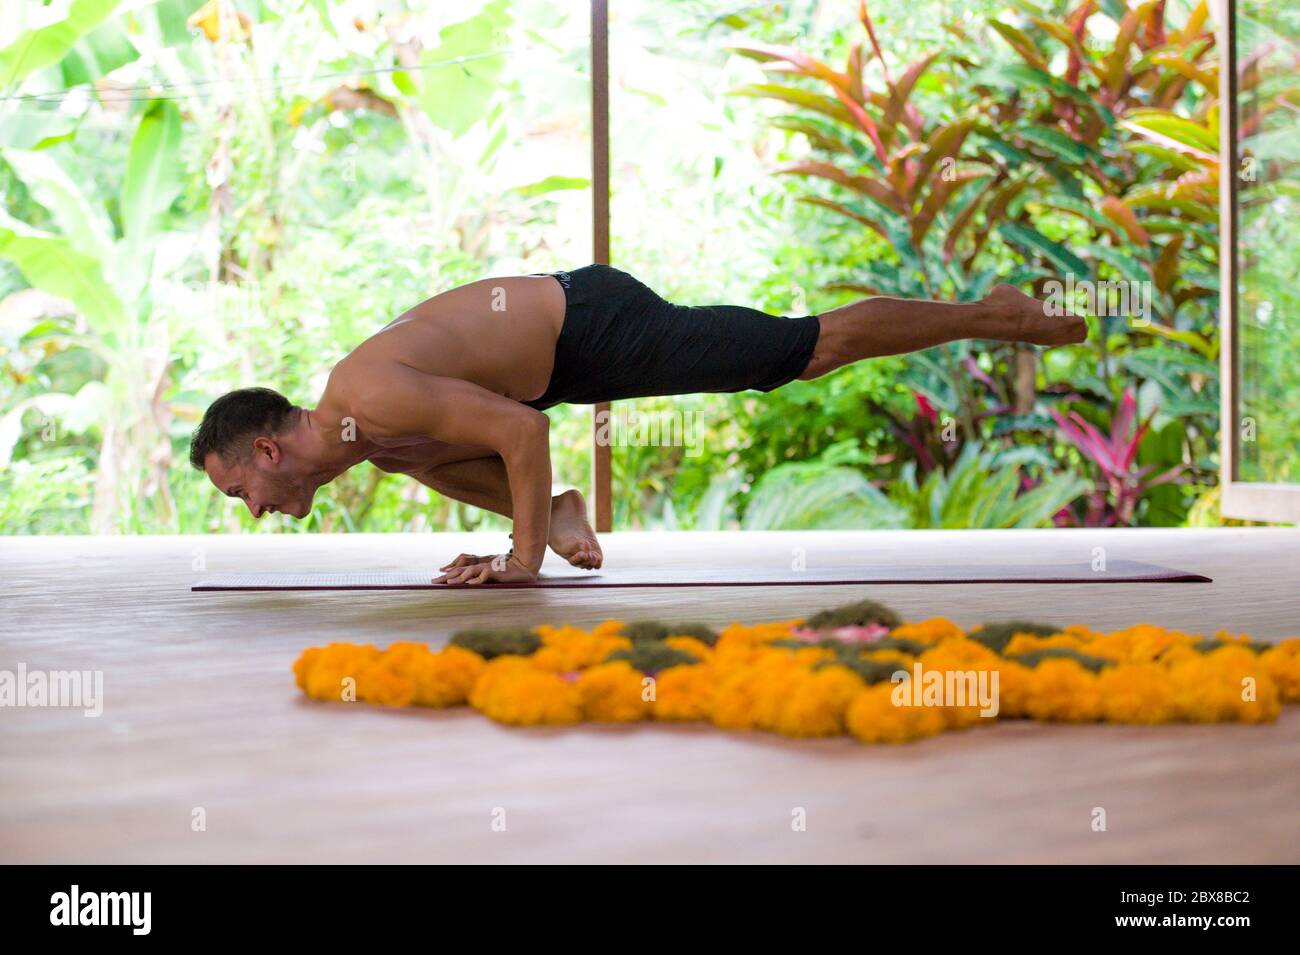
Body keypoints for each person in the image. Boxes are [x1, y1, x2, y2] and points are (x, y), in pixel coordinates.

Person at [189, 264, 1085, 585]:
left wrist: (522, 559)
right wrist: (530, 520)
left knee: (806, 350)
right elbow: (512, 432)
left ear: (267, 448)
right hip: (559, 360)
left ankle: (994, 314)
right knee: (398, 461)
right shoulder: (369, 440)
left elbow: (523, 435)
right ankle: (564, 511)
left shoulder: (368, 401)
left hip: (593, 325)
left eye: (242, 489)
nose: (254, 507)